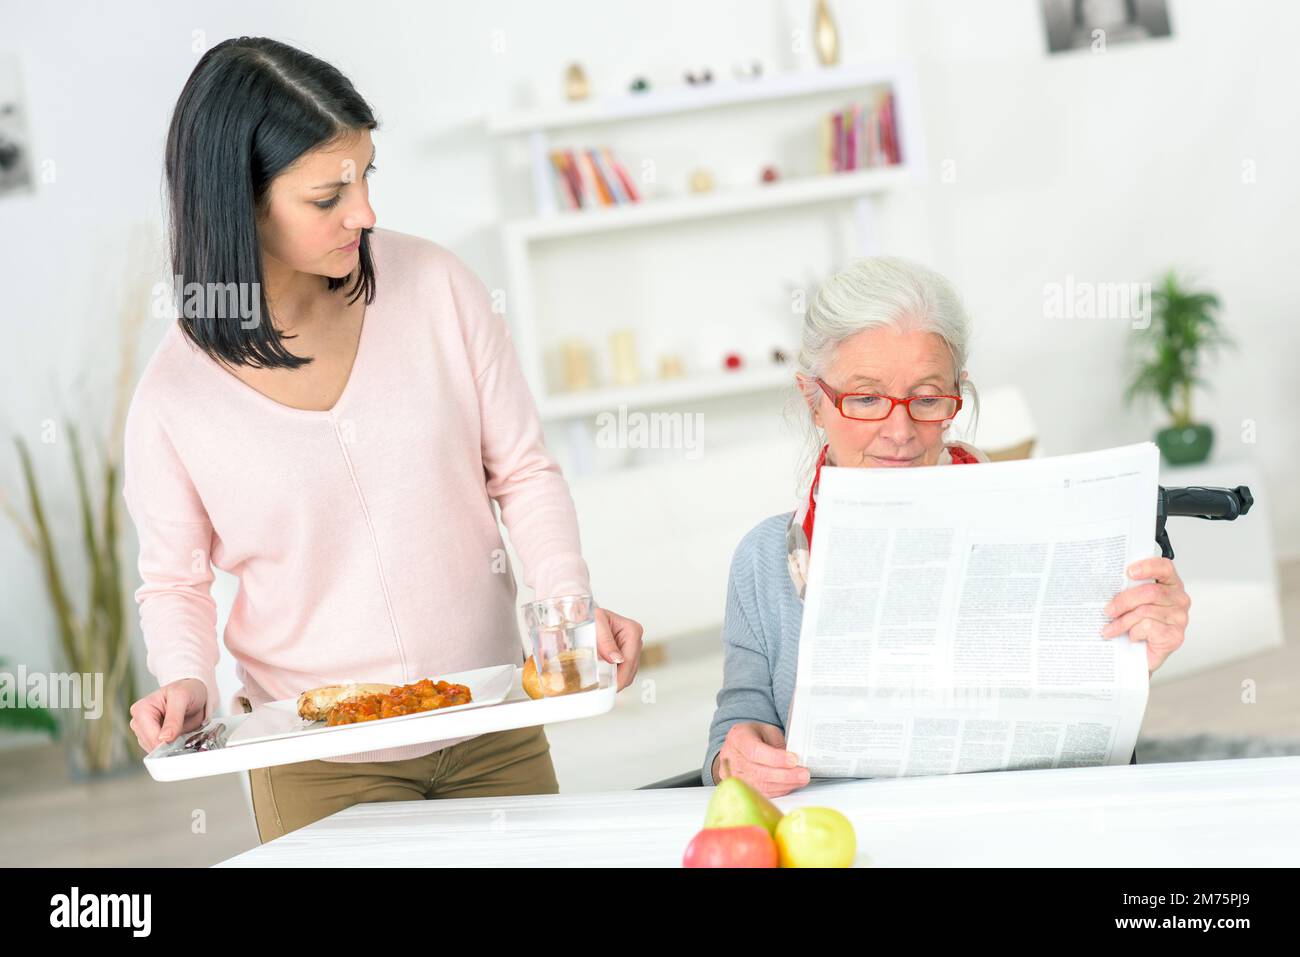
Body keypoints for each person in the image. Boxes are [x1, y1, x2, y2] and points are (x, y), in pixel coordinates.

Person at [124, 36, 643, 841]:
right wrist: (185, 679)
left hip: (491, 724)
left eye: (367, 174)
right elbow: (175, 581)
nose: (364, 212)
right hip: (318, 762)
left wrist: (568, 603)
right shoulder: (174, 396)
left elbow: (524, 472)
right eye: (328, 195)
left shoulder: (437, 287)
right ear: (240, 201)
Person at [703, 256, 1190, 794]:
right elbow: (733, 732)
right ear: (814, 400)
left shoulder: (1043, 530)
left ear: (956, 395)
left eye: (927, 398)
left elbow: (1081, 725)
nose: (900, 430)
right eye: (865, 398)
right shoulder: (764, 558)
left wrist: (1134, 659)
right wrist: (736, 758)